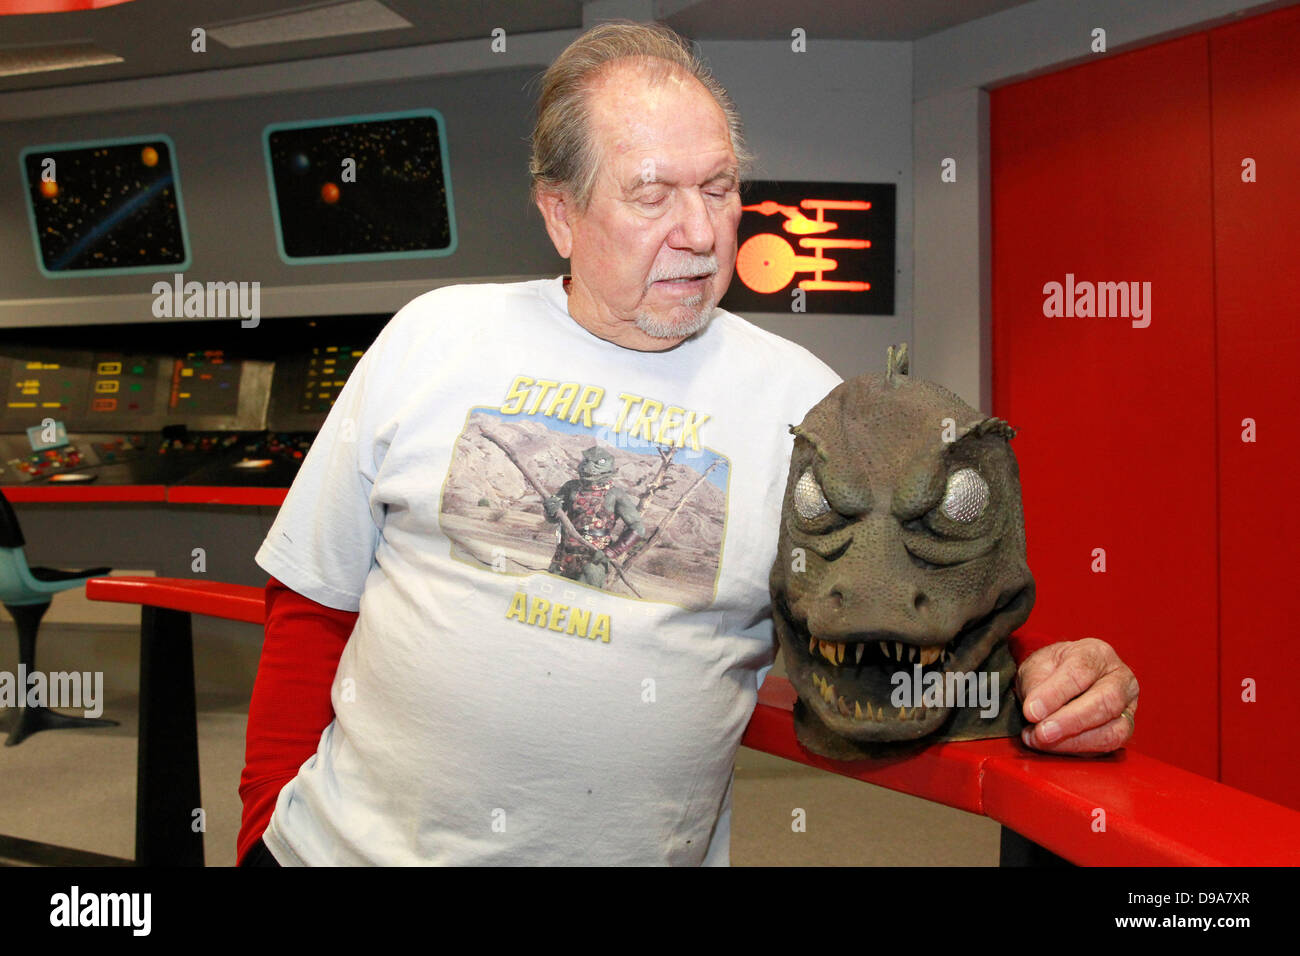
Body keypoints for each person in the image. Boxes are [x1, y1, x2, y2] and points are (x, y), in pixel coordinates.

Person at [238, 21, 1139, 866]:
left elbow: (897, 631)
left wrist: (1037, 685)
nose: (702, 234)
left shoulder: (808, 407)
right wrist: (255, 840)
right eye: (652, 194)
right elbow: (314, 605)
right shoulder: (432, 335)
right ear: (560, 213)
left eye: (718, 188)